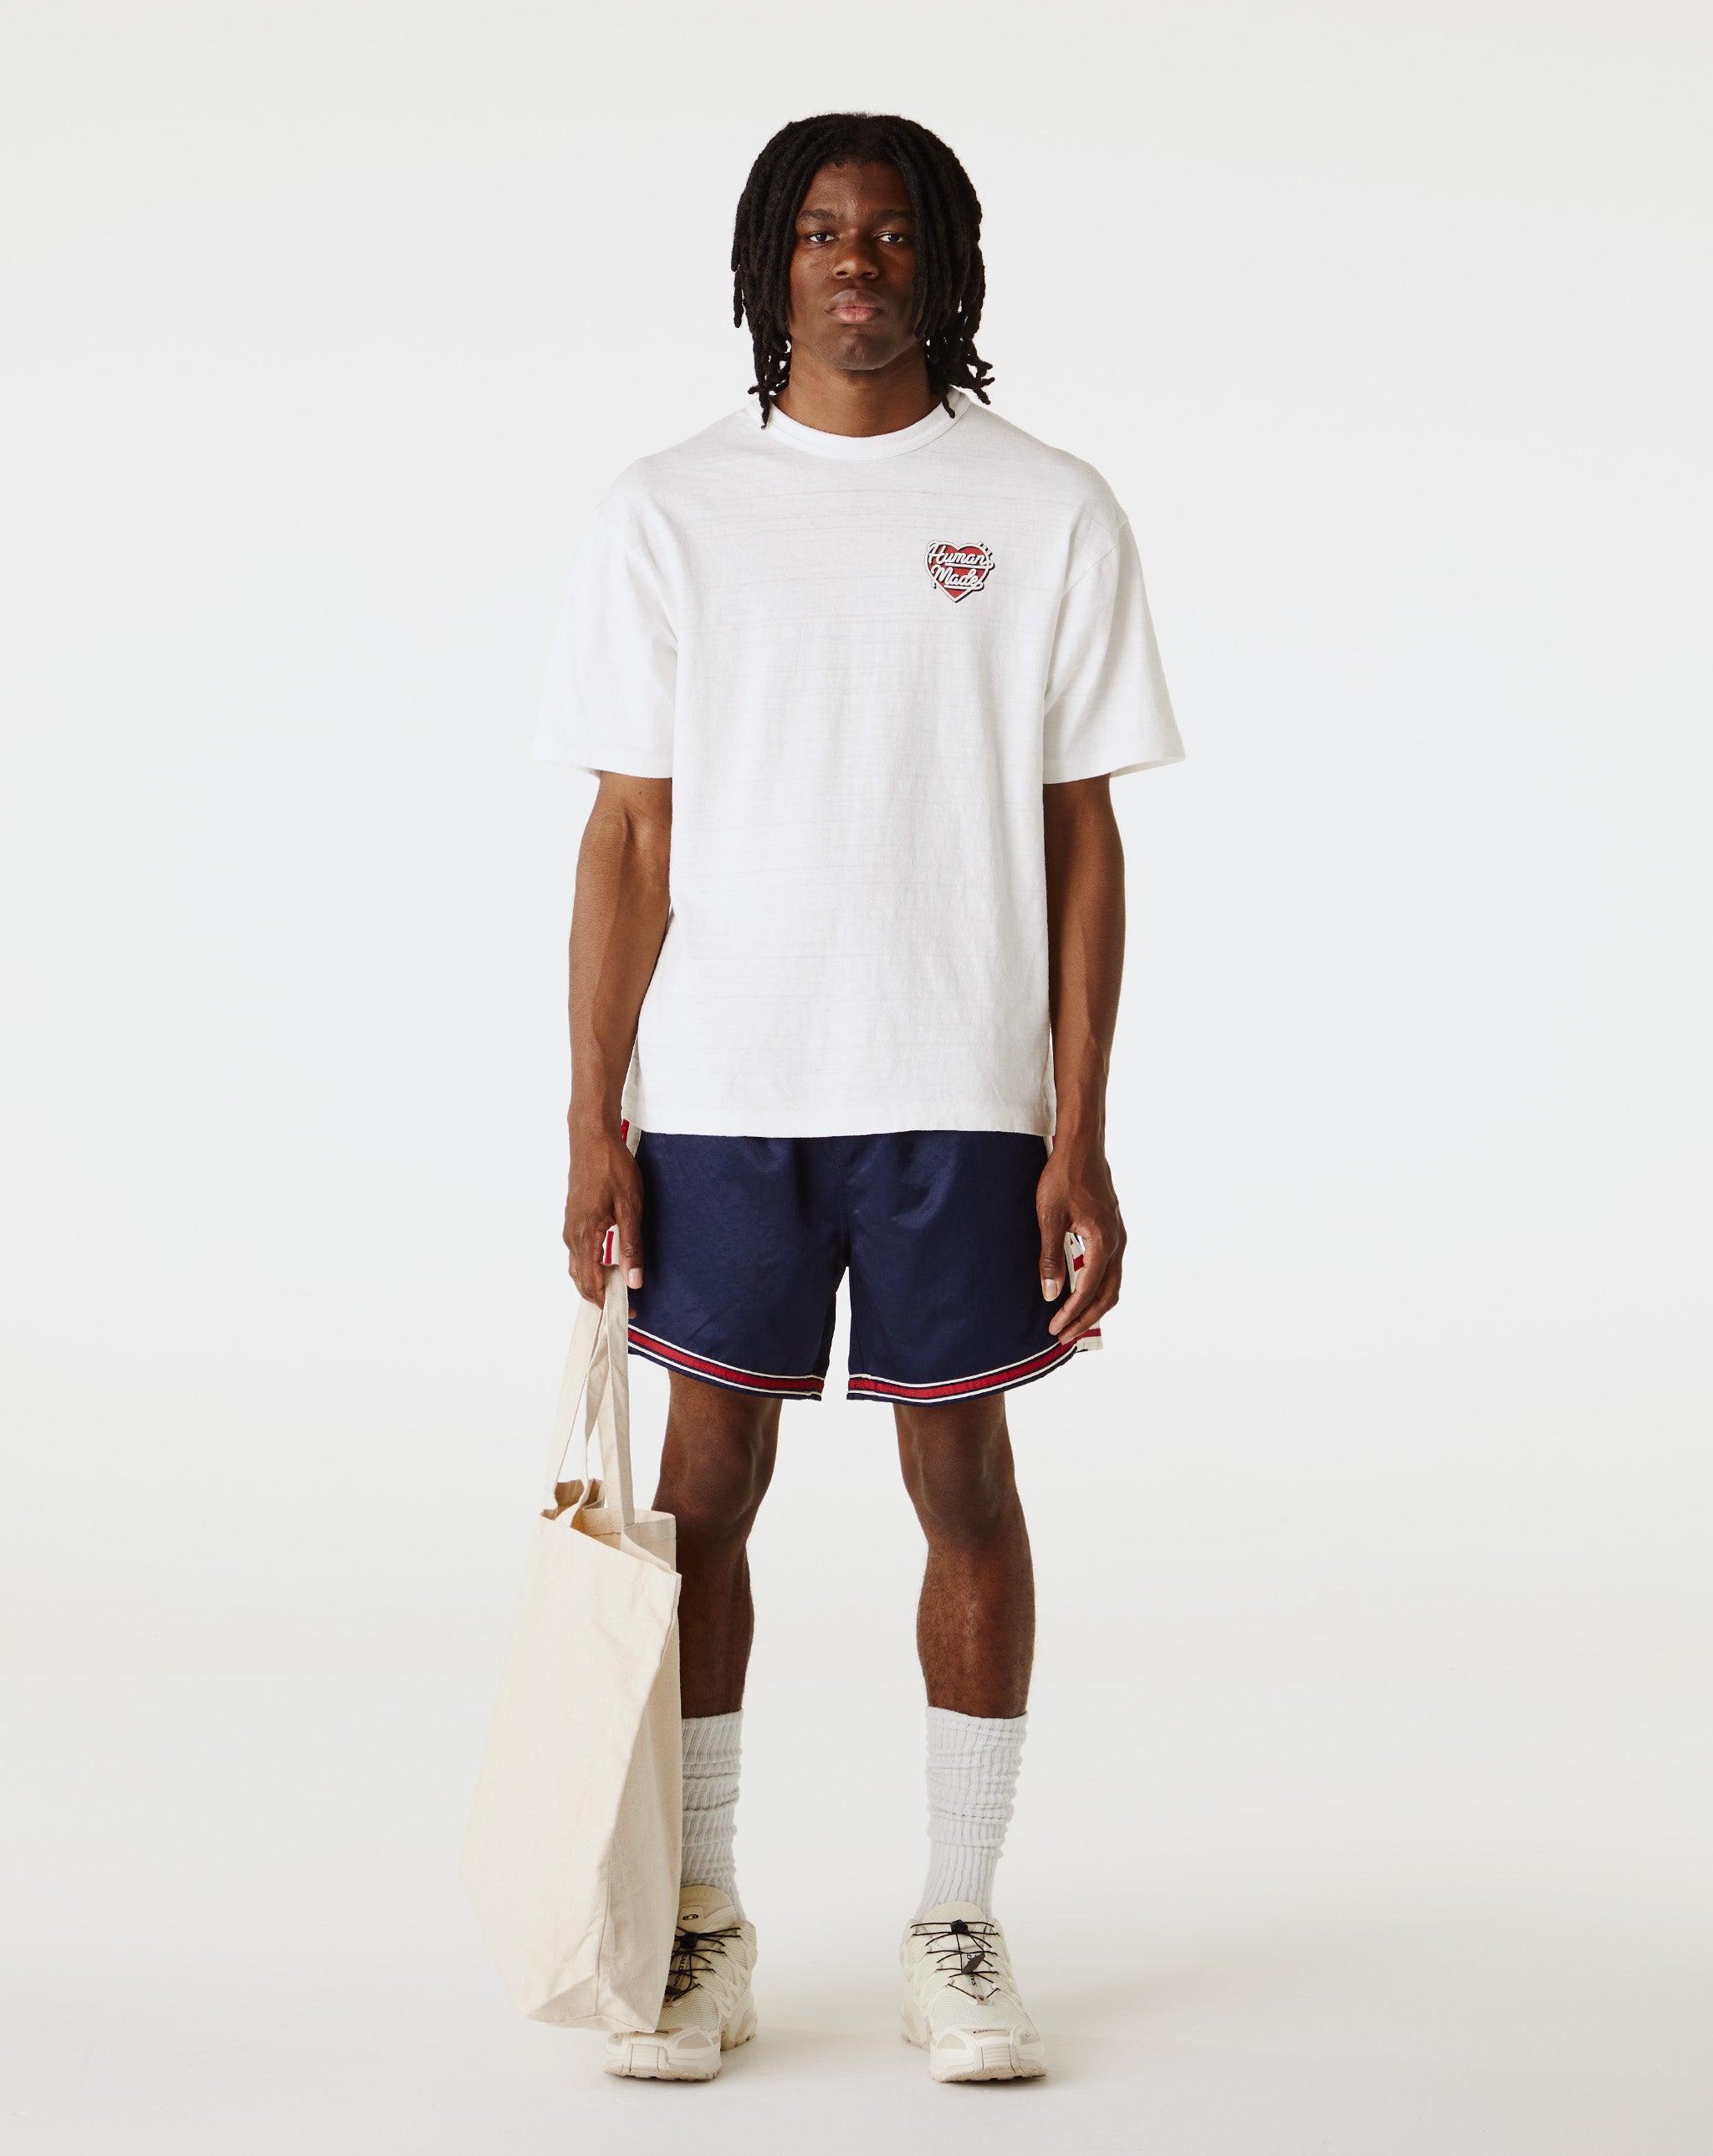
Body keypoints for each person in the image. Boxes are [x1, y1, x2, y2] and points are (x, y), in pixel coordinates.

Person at [534, 110, 1182, 2085]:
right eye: (819, 232)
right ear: (768, 265)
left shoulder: (1046, 506)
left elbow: (1080, 839)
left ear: (944, 264)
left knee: (962, 1485)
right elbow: (627, 835)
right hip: (725, 1087)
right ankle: (702, 1914)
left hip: (958, 1088)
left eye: (892, 234)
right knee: (703, 1493)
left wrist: (1078, 1127)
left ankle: (957, 1921)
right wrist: (590, 1115)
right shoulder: (671, 507)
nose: (855, 264)